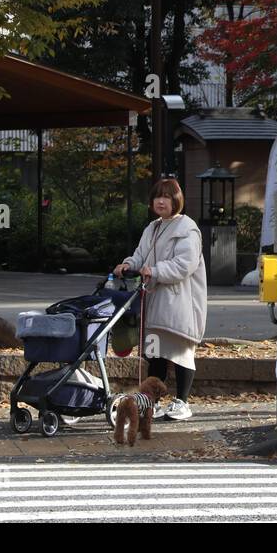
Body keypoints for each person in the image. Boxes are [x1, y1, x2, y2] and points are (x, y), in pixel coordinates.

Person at [115, 177, 207, 420]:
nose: (161, 201)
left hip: (179, 303)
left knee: (180, 351)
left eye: (166, 197)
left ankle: (182, 402)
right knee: (154, 352)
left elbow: (185, 264)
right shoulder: (153, 227)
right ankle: (152, 402)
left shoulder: (187, 229)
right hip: (155, 302)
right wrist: (128, 264)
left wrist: (155, 271)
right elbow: (140, 255)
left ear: (176, 200)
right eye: (157, 197)